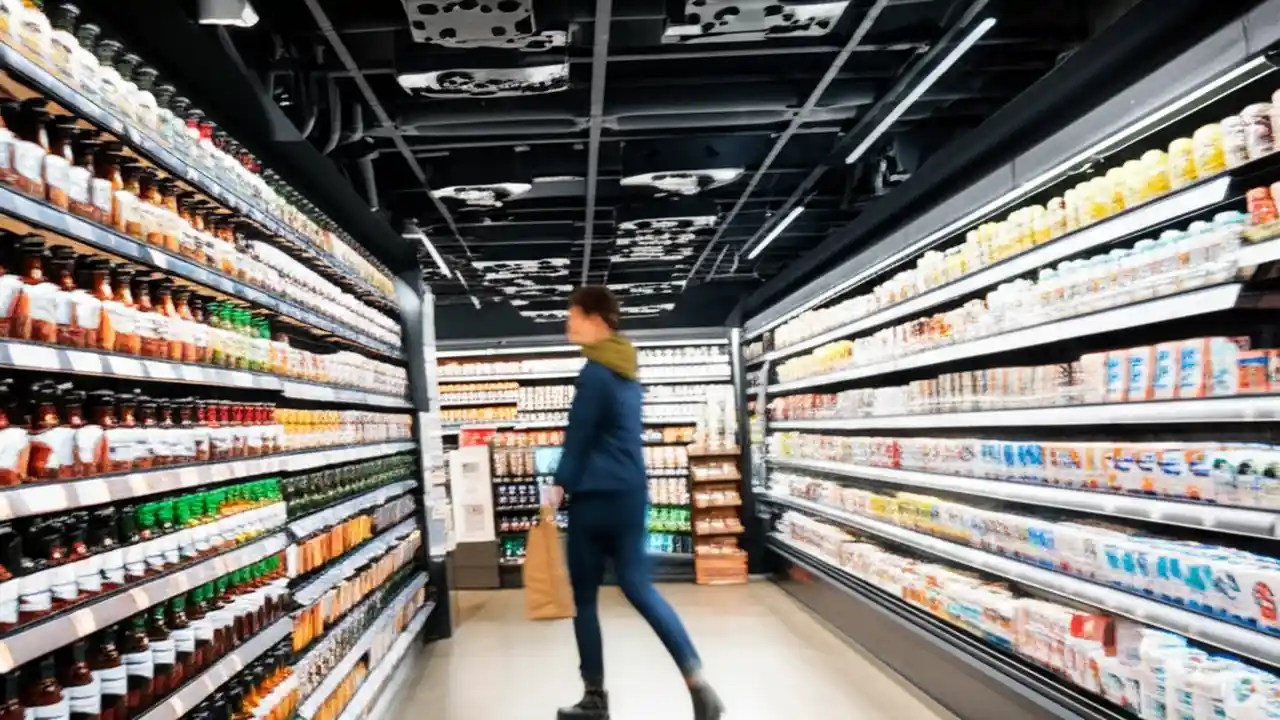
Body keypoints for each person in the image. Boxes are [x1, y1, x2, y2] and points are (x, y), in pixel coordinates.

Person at [548, 286, 723, 720]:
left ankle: (594, 698)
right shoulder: (627, 368)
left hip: (594, 498)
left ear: (595, 318)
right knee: (640, 587)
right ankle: (698, 683)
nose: (568, 324)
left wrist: (559, 485)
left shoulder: (594, 372)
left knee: (584, 599)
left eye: (573, 316)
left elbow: (580, 435)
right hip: (630, 493)